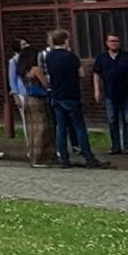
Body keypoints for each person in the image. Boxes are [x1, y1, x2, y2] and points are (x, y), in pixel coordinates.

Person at [39, 32, 97, 167]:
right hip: (71, 95)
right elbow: (81, 73)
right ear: (65, 41)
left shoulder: (49, 56)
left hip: (56, 95)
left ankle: (64, 159)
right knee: (79, 127)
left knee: (60, 127)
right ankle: (89, 158)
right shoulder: (71, 56)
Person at [96, 30, 128, 155]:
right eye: (112, 41)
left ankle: (127, 146)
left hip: (126, 93)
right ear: (107, 43)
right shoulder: (101, 58)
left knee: (127, 120)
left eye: (116, 41)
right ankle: (115, 147)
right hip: (109, 93)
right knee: (112, 120)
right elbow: (96, 74)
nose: (114, 43)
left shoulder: (127, 56)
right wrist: (97, 90)